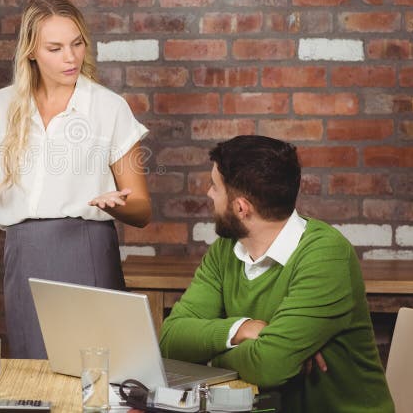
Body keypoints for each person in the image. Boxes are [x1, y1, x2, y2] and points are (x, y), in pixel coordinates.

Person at [0, 0, 151, 358]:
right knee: (34, 373)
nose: (71, 58)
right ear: (31, 52)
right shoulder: (0, 106)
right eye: (55, 48)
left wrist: (116, 206)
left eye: (77, 44)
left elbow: (141, 209)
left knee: (93, 371)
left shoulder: (108, 107)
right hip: (23, 255)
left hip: (86, 249)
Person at [159, 135, 394, 412]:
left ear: (241, 207)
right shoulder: (226, 249)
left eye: (215, 186)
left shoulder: (325, 254)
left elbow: (270, 365)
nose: (209, 193)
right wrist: (243, 329)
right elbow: (170, 338)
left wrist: (208, 358)